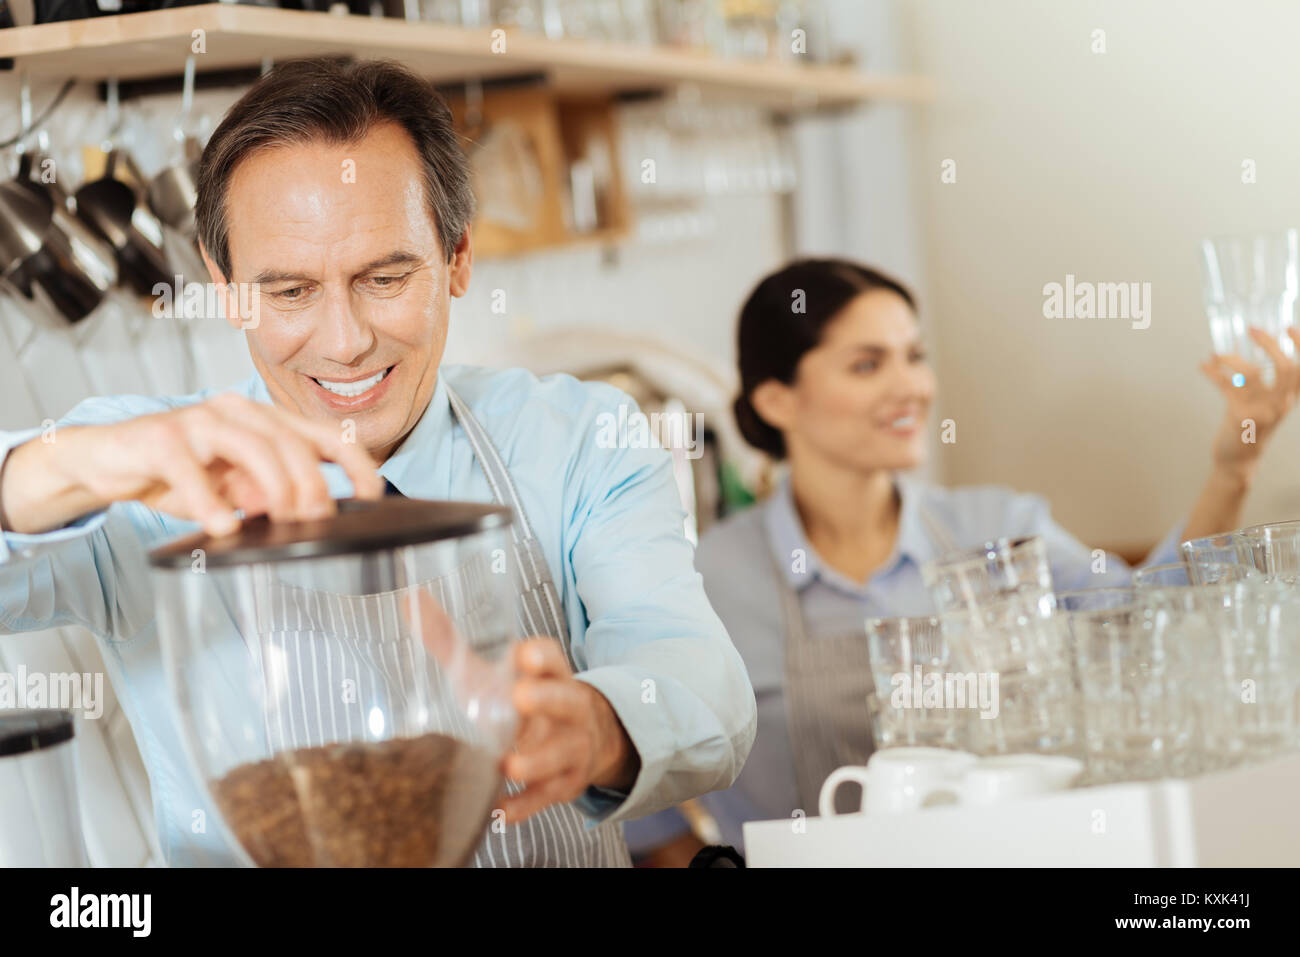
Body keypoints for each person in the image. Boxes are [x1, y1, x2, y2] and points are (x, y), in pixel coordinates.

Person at [0, 58, 756, 867]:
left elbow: (702, 684)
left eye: (385, 276)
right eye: (288, 293)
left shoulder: (575, 436)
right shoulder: (148, 470)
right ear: (226, 290)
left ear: (458, 257)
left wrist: (599, 723)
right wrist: (43, 474)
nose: (345, 339)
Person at [624, 257, 1300, 858]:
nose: (913, 386)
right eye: (868, 363)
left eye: (914, 355)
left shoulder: (997, 528)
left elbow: (1141, 626)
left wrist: (1232, 468)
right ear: (777, 399)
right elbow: (643, 812)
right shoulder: (707, 582)